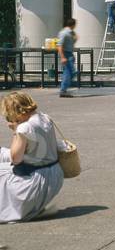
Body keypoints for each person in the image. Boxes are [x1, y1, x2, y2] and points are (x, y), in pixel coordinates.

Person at [0, 92, 66, 223]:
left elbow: (15, 159)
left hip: (36, 180)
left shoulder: (24, 127)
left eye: (10, 116)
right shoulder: (44, 117)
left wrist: (15, 131)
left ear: (17, 112)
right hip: (54, 175)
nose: (10, 120)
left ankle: (22, 209)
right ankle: (33, 208)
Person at [57, 18, 77, 99]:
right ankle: (63, 90)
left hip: (70, 54)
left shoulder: (71, 33)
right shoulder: (64, 33)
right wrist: (62, 57)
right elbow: (60, 45)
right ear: (73, 25)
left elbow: (71, 43)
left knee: (71, 72)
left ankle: (64, 89)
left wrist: (75, 39)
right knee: (68, 72)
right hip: (66, 54)